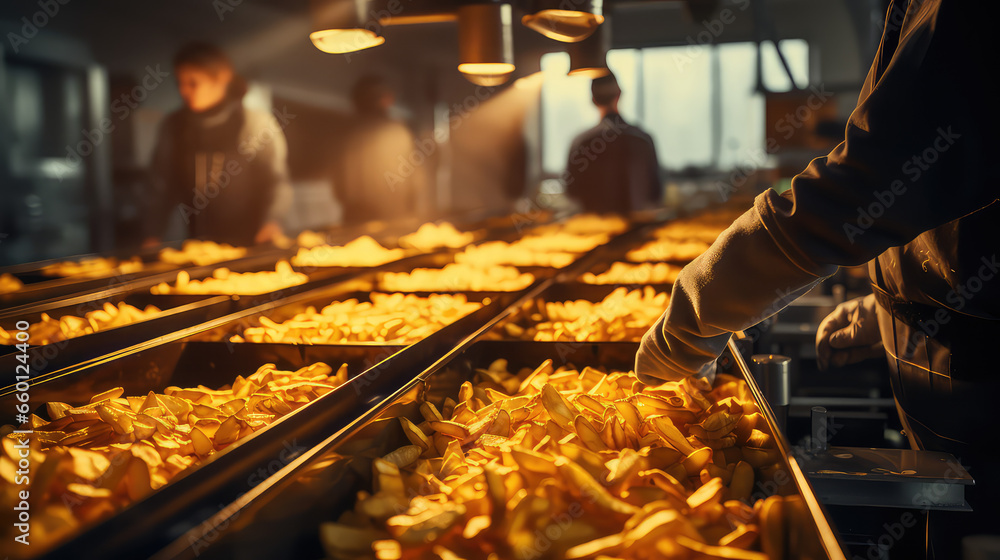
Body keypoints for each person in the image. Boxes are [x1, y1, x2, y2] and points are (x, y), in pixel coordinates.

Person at [635, 0, 999, 557]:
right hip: (948, 357)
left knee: (979, 535)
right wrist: (895, 307)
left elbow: (874, 179)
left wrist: (692, 315)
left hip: (981, 388)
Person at [145, 42, 292, 247]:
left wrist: (273, 221)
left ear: (222, 78)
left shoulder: (255, 124)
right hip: (198, 247)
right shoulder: (174, 127)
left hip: (252, 244)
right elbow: (160, 186)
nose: (184, 91)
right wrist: (152, 234)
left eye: (193, 83)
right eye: (180, 83)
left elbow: (277, 183)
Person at [331, 75, 425, 226]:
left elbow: (339, 190)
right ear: (387, 100)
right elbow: (414, 187)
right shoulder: (399, 133)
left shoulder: (345, 135)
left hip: (359, 224)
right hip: (392, 222)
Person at [563, 73, 661, 214]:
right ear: (619, 94)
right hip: (636, 230)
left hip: (595, 230)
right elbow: (656, 193)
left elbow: (571, 193)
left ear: (593, 100)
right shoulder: (643, 139)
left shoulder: (581, 143)